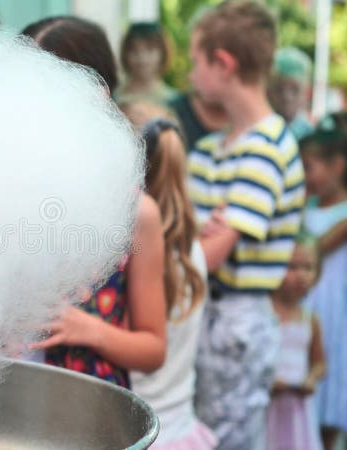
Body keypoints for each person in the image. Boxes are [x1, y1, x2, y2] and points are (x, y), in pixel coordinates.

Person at [185, 2, 305, 448]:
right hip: (205, 312)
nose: (191, 75)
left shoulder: (268, 147)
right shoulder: (209, 150)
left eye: (197, 61)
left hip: (237, 317)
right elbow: (189, 242)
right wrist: (193, 237)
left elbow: (208, 253)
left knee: (226, 440)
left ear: (224, 63)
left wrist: (193, 237)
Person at [24, 16, 167, 385]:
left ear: (95, 95)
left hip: (87, 410)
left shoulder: (136, 213)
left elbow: (153, 349)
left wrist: (88, 329)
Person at [121, 104, 217, 450]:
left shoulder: (141, 250)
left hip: (143, 428)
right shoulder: (191, 246)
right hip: (182, 427)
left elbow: (141, 344)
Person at [299, 129, 347, 450]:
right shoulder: (307, 206)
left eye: (309, 166)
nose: (303, 176)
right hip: (304, 302)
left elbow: (315, 248)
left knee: (331, 397)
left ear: (337, 165)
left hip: (332, 310)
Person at [266, 237, 326, 450]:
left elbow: (320, 363)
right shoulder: (264, 313)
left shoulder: (310, 319)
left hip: (299, 411)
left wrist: (311, 379)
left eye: (308, 267)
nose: (301, 275)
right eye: (292, 267)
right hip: (268, 409)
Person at [115, 23, 177, 105]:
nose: (142, 57)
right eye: (134, 50)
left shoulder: (174, 102)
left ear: (163, 53)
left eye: (150, 49)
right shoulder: (113, 99)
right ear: (125, 54)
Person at [268, 47, 314, 141]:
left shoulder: (312, 137)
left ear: (306, 92)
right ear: (268, 92)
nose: (287, 97)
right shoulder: (258, 133)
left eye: (295, 89)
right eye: (279, 89)